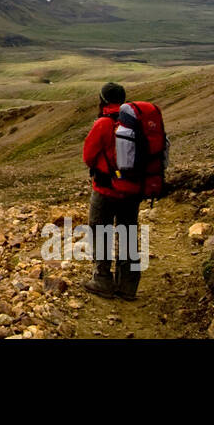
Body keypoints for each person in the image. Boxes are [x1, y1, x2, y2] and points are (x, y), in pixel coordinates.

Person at [80, 82, 142, 300]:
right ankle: (128, 286)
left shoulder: (103, 123)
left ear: (103, 100)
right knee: (128, 234)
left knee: (100, 232)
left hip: (105, 190)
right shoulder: (136, 122)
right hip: (132, 190)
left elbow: (88, 156)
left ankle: (102, 280)